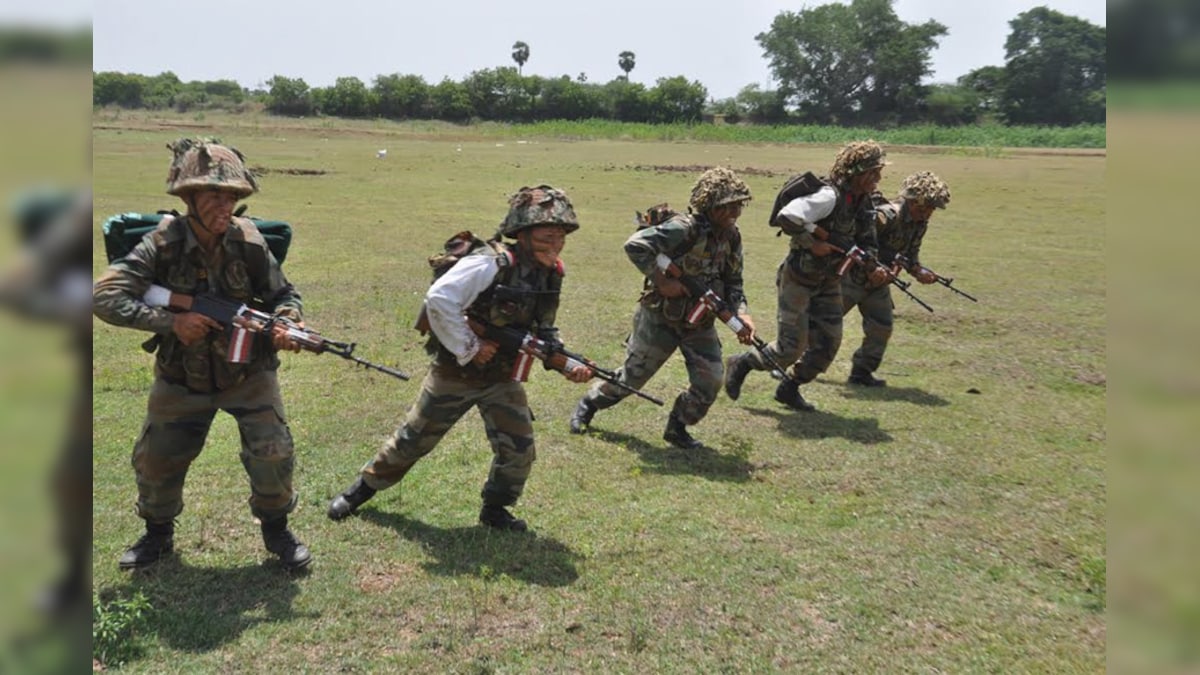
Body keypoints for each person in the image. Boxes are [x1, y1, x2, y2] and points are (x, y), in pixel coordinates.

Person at [93, 138, 312, 570]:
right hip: (182, 376)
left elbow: (283, 294)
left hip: (248, 373)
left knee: (273, 452)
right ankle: (157, 535)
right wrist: (171, 322)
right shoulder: (161, 243)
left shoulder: (249, 241)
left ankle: (277, 530)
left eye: (231, 196)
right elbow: (104, 296)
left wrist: (289, 322)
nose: (223, 205)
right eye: (213, 194)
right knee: (157, 459)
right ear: (188, 197)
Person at [327, 185, 592, 532]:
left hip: (502, 378)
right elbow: (439, 299)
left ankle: (495, 510)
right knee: (413, 440)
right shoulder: (490, 263)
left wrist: (567, 363)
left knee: (519, 449)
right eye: (546, 236)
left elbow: (544, 328)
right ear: (522, 234)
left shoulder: (552, 272)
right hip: (456, 374)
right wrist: (471, 346)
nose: (555, 244)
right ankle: (360, 490)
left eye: (561, 237)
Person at [568, 167, 756, 449]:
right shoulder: (683, 229)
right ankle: (589, 404)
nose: (734, 212)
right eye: (727, 206)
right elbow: (635, 245)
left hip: (700, 322)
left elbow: (734, 281)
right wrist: (662, 281)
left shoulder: (731, 237)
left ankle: (678, 426)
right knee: (632, 377)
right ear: (710, 205)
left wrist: (741, 314)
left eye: (738, 205)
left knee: (711, 380)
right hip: (660, 318)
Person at [724, 140, 890, 411]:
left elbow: (867, 240)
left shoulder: (864, 202)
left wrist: (873, 265)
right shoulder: (829, 196)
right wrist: (812, 242)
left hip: (829, 281)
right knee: (790, 347)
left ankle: (790, 388)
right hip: (799, 278)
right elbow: (787, 216)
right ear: (857, 173)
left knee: (828, 345)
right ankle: (743, 362)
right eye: (873, 173)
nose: (878, 178)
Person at [841, 171, 952, 386]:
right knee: (826, 323)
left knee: (881, 327)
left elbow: (910, 254)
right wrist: (873, 266)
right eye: (927, 207)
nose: (929, 213)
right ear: (913, 202)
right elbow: (857, 242)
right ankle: (793, 361)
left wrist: (919, 271)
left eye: (932, 208)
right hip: (852, 279)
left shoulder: (919, 223)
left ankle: (861, 373)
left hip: (878, 284)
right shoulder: (886, 216)